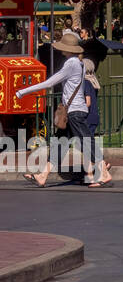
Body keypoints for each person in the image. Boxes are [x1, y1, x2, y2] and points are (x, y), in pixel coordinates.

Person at [17, 31, 90, 187]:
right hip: (72, 111)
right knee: (60, 144)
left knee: (85, 142)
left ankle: (101, 167)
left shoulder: (71, 63)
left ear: (68, 49)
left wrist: (24, 91)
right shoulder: (80, 63)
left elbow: (49, 83)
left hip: (74, 111)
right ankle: (43, 175)